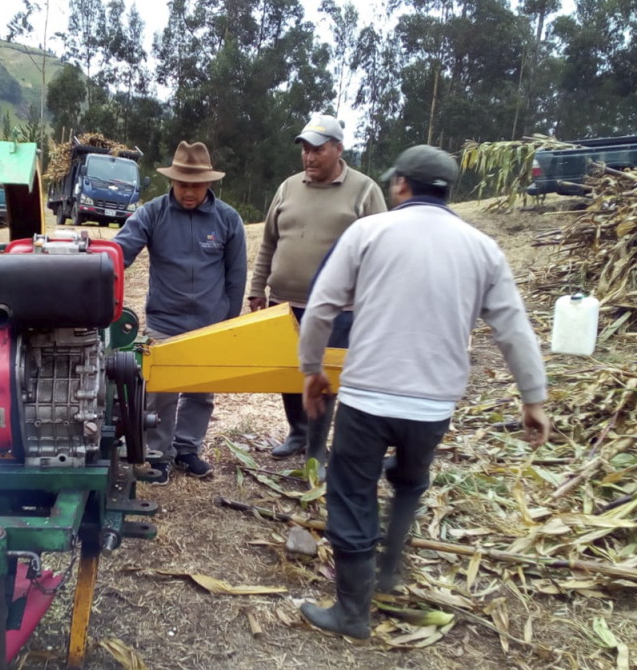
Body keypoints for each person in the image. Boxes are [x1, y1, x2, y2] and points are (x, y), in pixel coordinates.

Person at [297, 144, 551, 639]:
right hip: (433, 404)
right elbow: (513, 328)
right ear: (447, 190)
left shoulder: (369, 232)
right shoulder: (482, 248)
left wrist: (312, 370)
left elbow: (322, 305)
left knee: (352, 494)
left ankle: (352, 612)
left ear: (400, 185)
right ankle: (390, 569)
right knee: (411, 479)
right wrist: (533, 398)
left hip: (368, 399)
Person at [248, 115, 387, 470]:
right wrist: (256, 289)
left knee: (323, 375)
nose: (309, 158)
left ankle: (316, 448)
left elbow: (381, 252)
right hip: (283, 302)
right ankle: (296, 432)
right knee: (289, 371)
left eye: (318, 150)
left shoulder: (365, 190)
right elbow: (268, 243)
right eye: (305, 150)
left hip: (338, 309)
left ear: (338, 149)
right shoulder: (288, 188)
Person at [114, 141, 247, 485]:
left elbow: (236, 278)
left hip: (209, 322)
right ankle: (158, 454)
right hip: (165, 320)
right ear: (171, 180)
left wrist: (228, 326)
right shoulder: (152, 213)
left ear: (209, 183)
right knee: (160, 393)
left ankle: (188, 449)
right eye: (182, 183)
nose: (189, 192)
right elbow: (119, 253)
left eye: (197, 185)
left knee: (201, 393)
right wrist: (97, 268)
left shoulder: (228, 220)